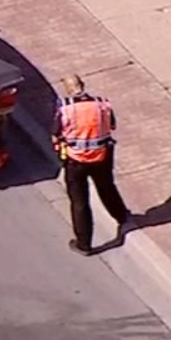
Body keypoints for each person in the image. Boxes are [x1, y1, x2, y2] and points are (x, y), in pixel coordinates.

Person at [52, 74, 133, 256]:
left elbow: (56, 133)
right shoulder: (102, 104)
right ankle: (121, 216)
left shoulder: (66, 109)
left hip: (76, 161)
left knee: (80, 202)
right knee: (107, 187)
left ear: (67, 89)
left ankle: (84, 244)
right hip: (102, 156)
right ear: (83, 85)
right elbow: (112, 125)